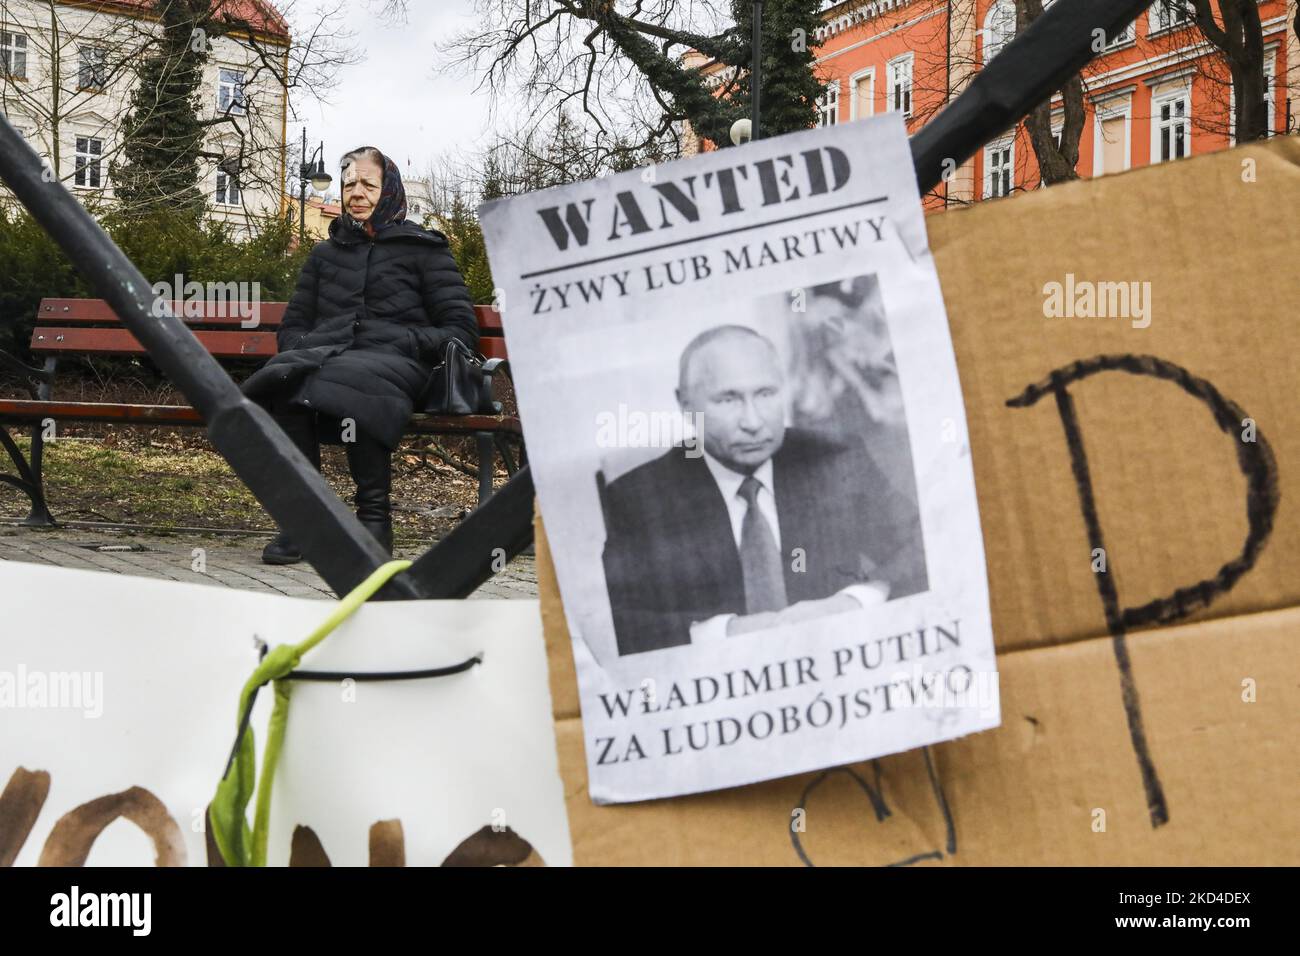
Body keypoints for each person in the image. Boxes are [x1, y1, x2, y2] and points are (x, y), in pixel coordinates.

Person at [600, 325, 927, 656]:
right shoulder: (639, 499)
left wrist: (850, 603)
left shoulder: (836, 460)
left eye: (766, 394)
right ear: (686, 406)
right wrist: (729, 631)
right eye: (728, 399)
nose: (753, 421)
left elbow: (923, 546)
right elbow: (621, 621)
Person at [241, 146, 478, 564]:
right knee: (282, 383)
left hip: (401, 365)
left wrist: (402, 341)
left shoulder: (424, 250)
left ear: (388, 191)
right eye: (350, 183)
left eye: (368, 184)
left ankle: (374, 520)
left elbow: (460, 330)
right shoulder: (325, 254)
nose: (357, 192)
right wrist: (305, 350)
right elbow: (293, 326)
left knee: (360, 384)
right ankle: (304, 520)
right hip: (331, 360)